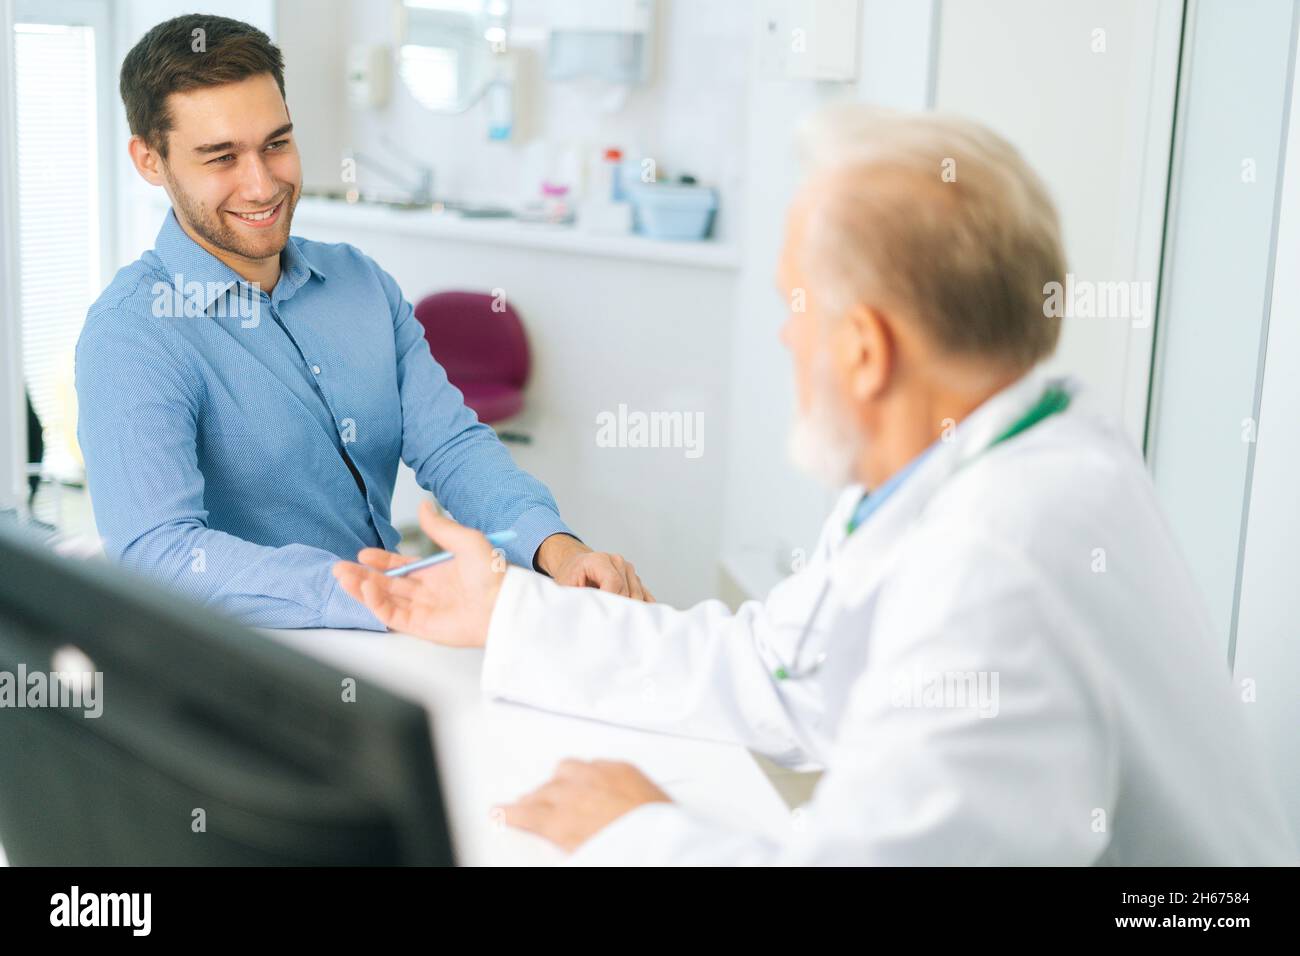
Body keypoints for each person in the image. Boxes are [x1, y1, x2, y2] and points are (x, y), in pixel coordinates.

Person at [334, 104, 1297, 865]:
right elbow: (779, 672)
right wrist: (509, 613)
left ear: (867, 349)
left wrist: (636, 828)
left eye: (796, 307)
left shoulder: (1004, 559)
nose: (788, 338)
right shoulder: (995, 466)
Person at [76, 15, 650, 631]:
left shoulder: (359, 283)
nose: (263, 183)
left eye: (277, 143)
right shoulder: (132, 335)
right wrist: (375, 594)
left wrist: (557, 550)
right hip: (258, 661)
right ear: (150, 160)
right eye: (222, 157)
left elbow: (452, 445)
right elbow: (159, 553)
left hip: (390, 634)